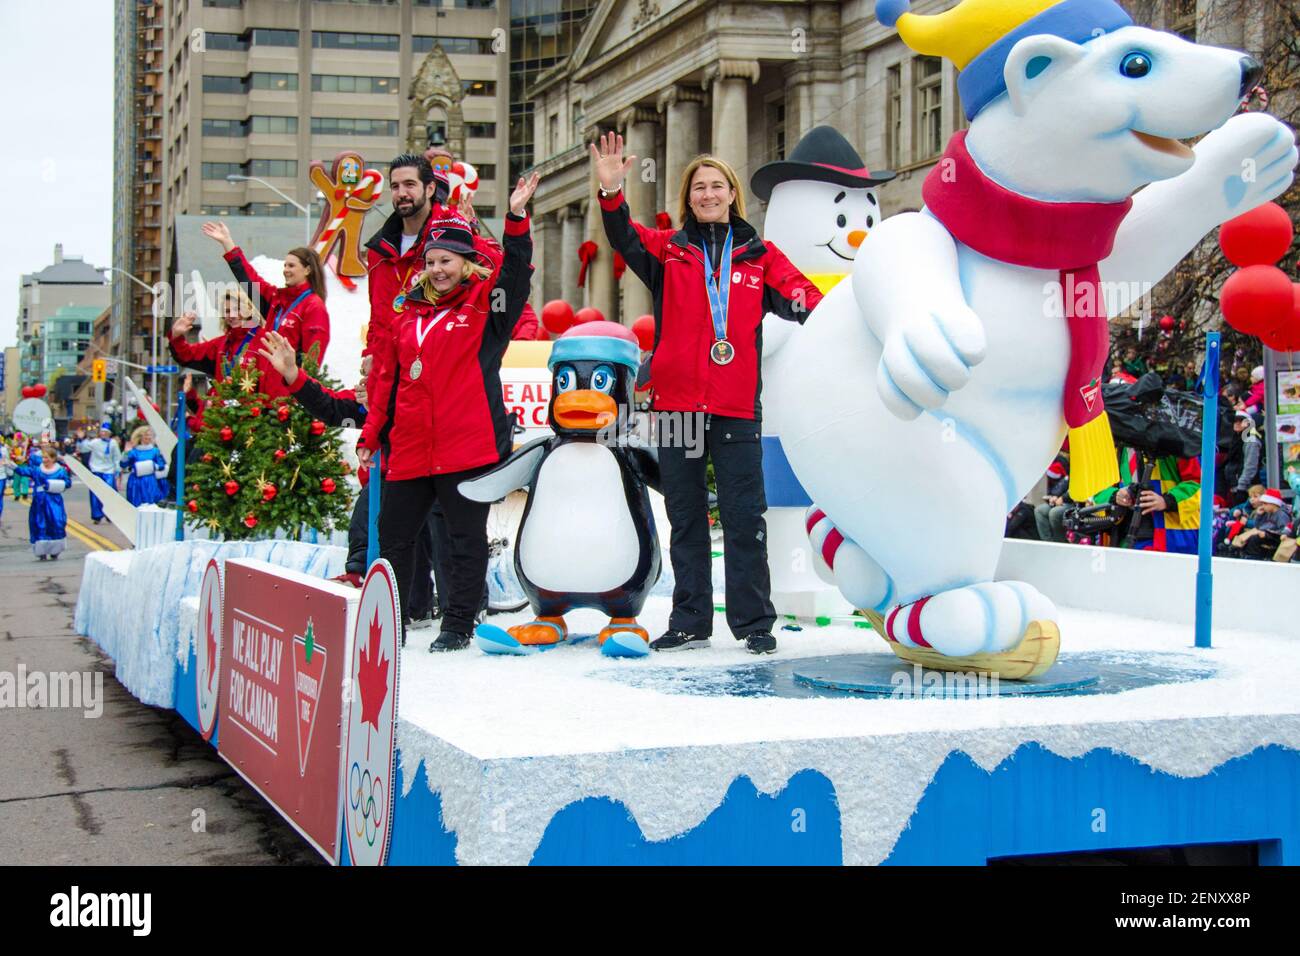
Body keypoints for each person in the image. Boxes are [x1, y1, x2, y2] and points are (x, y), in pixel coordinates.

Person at [591, 132, 823, 655]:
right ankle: (691, 619)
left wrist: (830, 311)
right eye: (698, 188)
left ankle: (754, 623)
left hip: (737, 408)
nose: (707, 195)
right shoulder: (668, 250)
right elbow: (624, 236)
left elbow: (802, 296)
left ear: (732, 193)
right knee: (687, 517)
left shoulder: (760, 256)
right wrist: (610, 193)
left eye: (717, 186)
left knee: (745, 517)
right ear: (688, 197)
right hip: (677, 409)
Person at [359, 172, 539, 652]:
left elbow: (516, 274)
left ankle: (458, 624)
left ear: (466, 264)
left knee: (464, 539)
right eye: (432, 261)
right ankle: (390, 622)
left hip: (468, 445)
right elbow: (387, 383)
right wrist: (372, 435)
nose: (439, 269)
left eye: (448, 261)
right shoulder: (405, 316)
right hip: (411, 449)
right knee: (394, 538)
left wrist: (516, 220)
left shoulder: (487, 307)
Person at [256, 332, 444, 633]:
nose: (362, 383)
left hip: (429, 477)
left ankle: (439, 606)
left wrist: (382, 405)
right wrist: (292, 373)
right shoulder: (362, 401)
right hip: (390, 483)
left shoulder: (414, 393)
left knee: (424, 531)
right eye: (362, 374)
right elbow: (330, 406)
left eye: (371, 374)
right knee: (378, 511)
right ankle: (373, 581)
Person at [363, 154, 500, 385]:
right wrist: (370, 354)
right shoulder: (378, 250)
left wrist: (472, 237)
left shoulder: (453, 230)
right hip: (390, 373)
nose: (402, 193)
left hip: (444, 370)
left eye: (410, 184)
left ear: (429, 189)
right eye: (395, 186)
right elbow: (378, 315)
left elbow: (499, 273)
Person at [202, 220, 330, 364]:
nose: (286, 270)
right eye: (285, 265)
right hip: (268, 380)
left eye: (291, 266)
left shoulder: (313, 306)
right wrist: (227, 243)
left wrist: (290, 374)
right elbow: (249, 280)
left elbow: (312, 361)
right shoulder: (278, 298)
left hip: (288, 384)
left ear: (307, 270)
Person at [169, 290, 289, 400]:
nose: (231, 315)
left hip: (254, 418)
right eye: (227, 311)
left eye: (237, 309)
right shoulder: (221, 344)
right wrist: (176, 336)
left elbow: (274, 387)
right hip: (224, 417)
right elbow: (187, 355)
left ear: (248, 310)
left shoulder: (264, 340)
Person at [1094, 447, 1201, 554]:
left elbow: (1201, 485)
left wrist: (1167, 501)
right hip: (1124, 538)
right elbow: (1095, 491)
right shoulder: (1116, 444)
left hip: (1174, 541)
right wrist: (1115, 495)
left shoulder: (1179, 439)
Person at [13, 443, 72, 560]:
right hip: (39, 502)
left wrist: (56, 485)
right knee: (40, 525)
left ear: (53, 458)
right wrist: (11, 465)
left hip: (54, 501)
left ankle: (55, 550)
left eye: (47, 458)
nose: (44, 460)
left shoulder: (60, 471)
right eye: (43, 457)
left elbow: (68, 483)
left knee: (57, 523)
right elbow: (23, 471)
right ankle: (42, 551)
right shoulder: (38, 470)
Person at [76, 423, 122, 524]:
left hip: (109, 471)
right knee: (95, 493)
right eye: (102, 431)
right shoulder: (95, 442)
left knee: (110, 493)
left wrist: (117, 470)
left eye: (105, 432)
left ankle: (110, 514)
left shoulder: (113, 443)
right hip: (96, 470)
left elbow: (117, 457)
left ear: (109, 433)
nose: (103, 433)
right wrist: (81, 439)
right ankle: (97, 516)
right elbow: (84, 448)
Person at [121, 427, 169, 507]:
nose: (148, 437)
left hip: (150, 481)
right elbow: (123, 464)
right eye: (146, 435)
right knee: (135, 504)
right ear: (140, 437)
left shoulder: (155, 451)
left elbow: (161, 466)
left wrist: (150, 466)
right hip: (135, 482)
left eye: (150, 435)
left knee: (151, 503)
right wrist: (126, 453)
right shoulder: (133, 452)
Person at [1033, 456, 1071, 543]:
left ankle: (1060, 543)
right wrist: (1055, 496)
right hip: (1062, 501)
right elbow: (1063, 486)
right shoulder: (1070, 472)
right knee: (1039, 510)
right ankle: (1048, 542)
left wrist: (1063, 498)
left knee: (1054, 513)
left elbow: (1077, 491)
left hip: (1074, 503)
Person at [10, 434, 31, 501]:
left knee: (24, 479)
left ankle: (25, 493)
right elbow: (11, 455)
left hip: (24, 465)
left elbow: (30, 444)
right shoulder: (14, 448)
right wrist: (16, 457)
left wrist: (26, 458)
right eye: (17, 439)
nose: (19, 441)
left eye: (20, 439)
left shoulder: (26, 447)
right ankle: (17, 495)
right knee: (16, 481)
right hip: (16, 465)